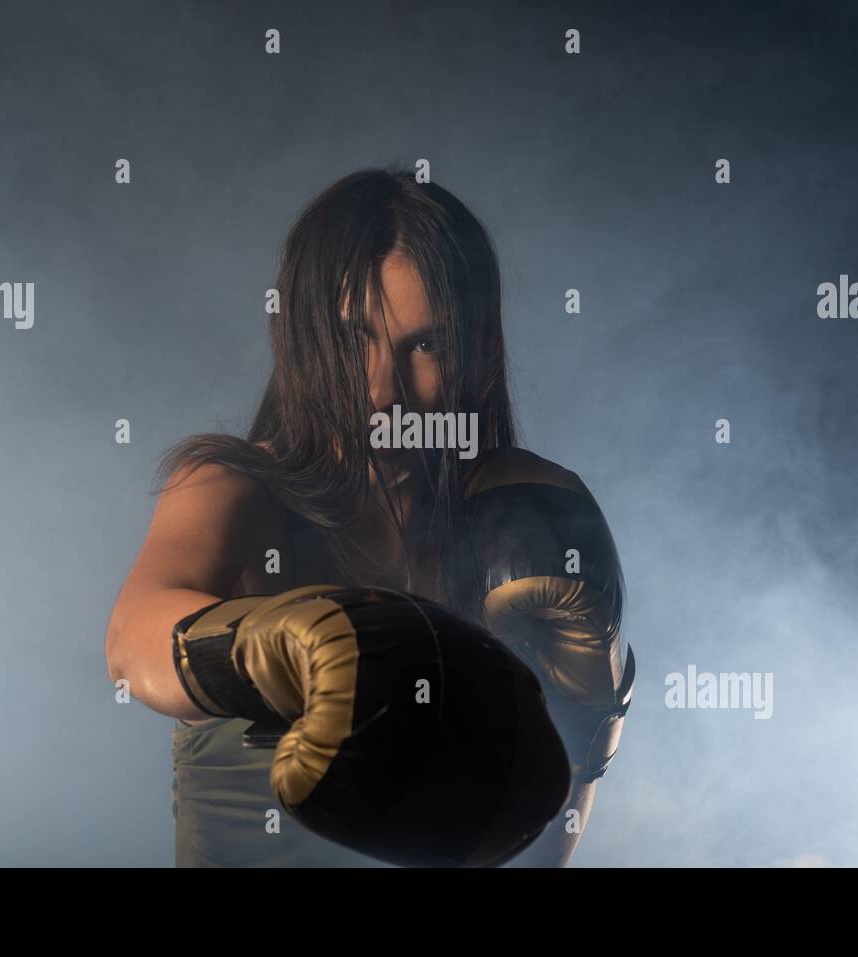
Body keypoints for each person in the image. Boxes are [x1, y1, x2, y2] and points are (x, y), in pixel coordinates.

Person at [105, 167, 635, 867]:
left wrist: (587, 728)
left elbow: (536, 845)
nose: (384, 392)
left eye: (426, 344)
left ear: (475, 350)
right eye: (354, 337)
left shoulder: (519, 526)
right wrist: (277, 642)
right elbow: (131, 639)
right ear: (300, 337)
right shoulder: (237, 488)